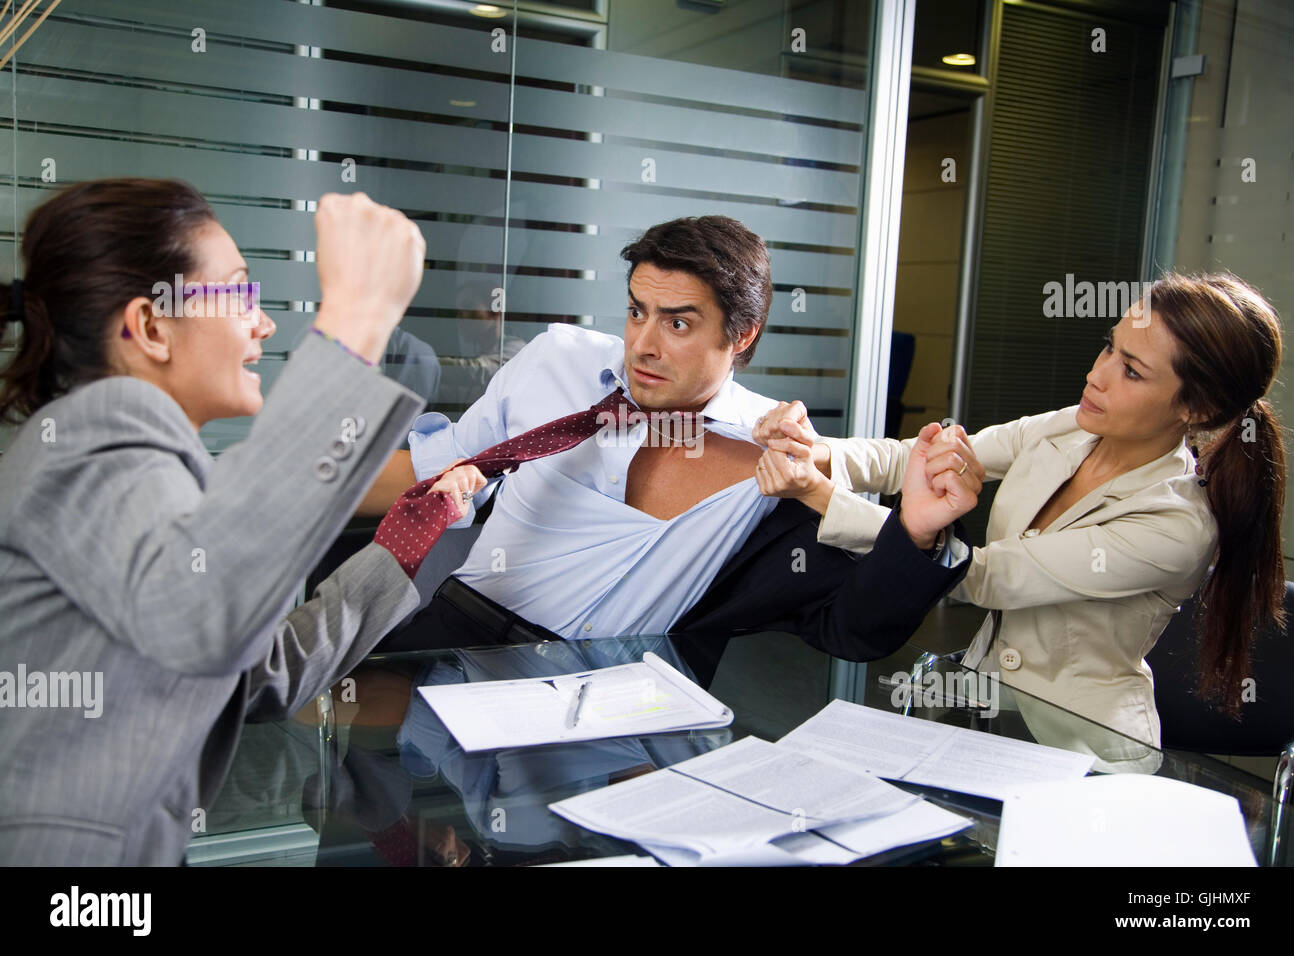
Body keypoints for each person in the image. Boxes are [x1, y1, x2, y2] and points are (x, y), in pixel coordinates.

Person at [0, 179, 477, 865]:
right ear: (151, 328)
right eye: (238, 294)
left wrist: (406, 541)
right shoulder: (93, 447)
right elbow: (209, 618)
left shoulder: (130, 459)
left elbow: (259, 672)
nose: (264, 323)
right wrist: (358, 317)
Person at [366, 215, 979, 682]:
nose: (642, 345)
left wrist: (917, 529)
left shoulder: (768, 455)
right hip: (453, 636)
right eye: (638, 312)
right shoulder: (554, 362)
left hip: (608, 697)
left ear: (742, 335)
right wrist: (308, 497)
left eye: (678, 323)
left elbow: (852, 628)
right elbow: (433, 474)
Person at [753, 272, 1287, 770]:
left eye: (1131, 370)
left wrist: (820, 495)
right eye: (1109, 347)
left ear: (1197, 408)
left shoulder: (1175, 525)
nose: (1095, 375)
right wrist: (816, 450)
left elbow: (985, 577)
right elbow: (919, 455)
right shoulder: (1071, 427)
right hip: (981, 713)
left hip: (1084, 753)